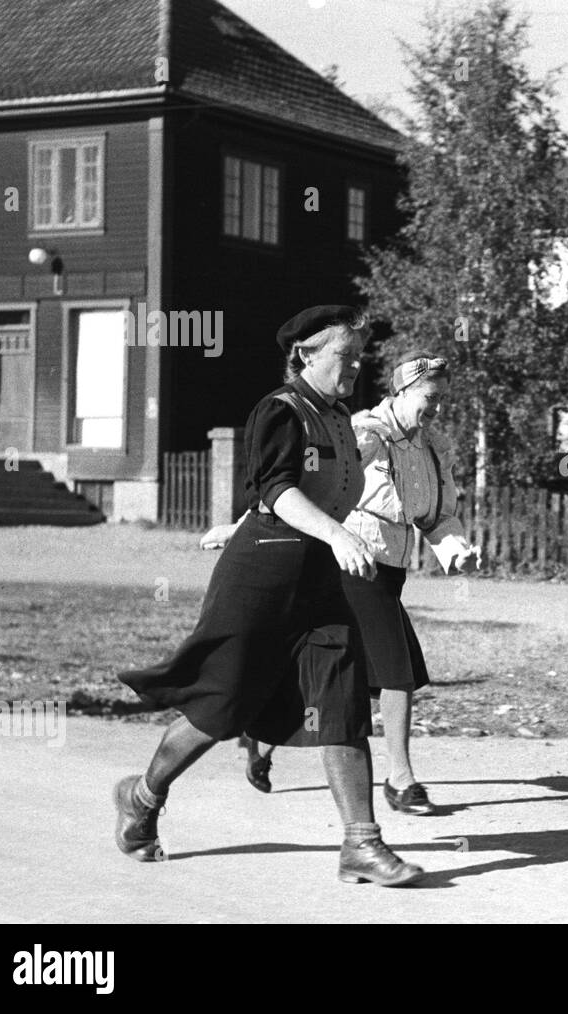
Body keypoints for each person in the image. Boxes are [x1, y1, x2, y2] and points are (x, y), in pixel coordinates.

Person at [116, 305, 423, 887]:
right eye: (344, 355)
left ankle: (361, 843)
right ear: (306, 355)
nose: (356, 366)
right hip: (262, 575)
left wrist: (339, 536)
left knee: (341, 699)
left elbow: (334, 492)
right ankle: (143, 796)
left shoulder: (338, 416)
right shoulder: (280, 411)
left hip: (321, 580)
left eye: (360, 356)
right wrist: (336, 534)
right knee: (222, 704)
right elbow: (276, 491)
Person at [233, 349, 480, 816]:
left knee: (335, 677)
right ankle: (400, 780)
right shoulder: (364, 434)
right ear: (404, 390)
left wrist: (456, 551)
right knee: (397, 668)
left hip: (390, 572)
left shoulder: (431, 448)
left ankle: (261, 743)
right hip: (351, 564)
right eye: (432, 396)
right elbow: (306, 484)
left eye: (444, 398)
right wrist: (244, 524)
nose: (439, 408)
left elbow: (437, 516)